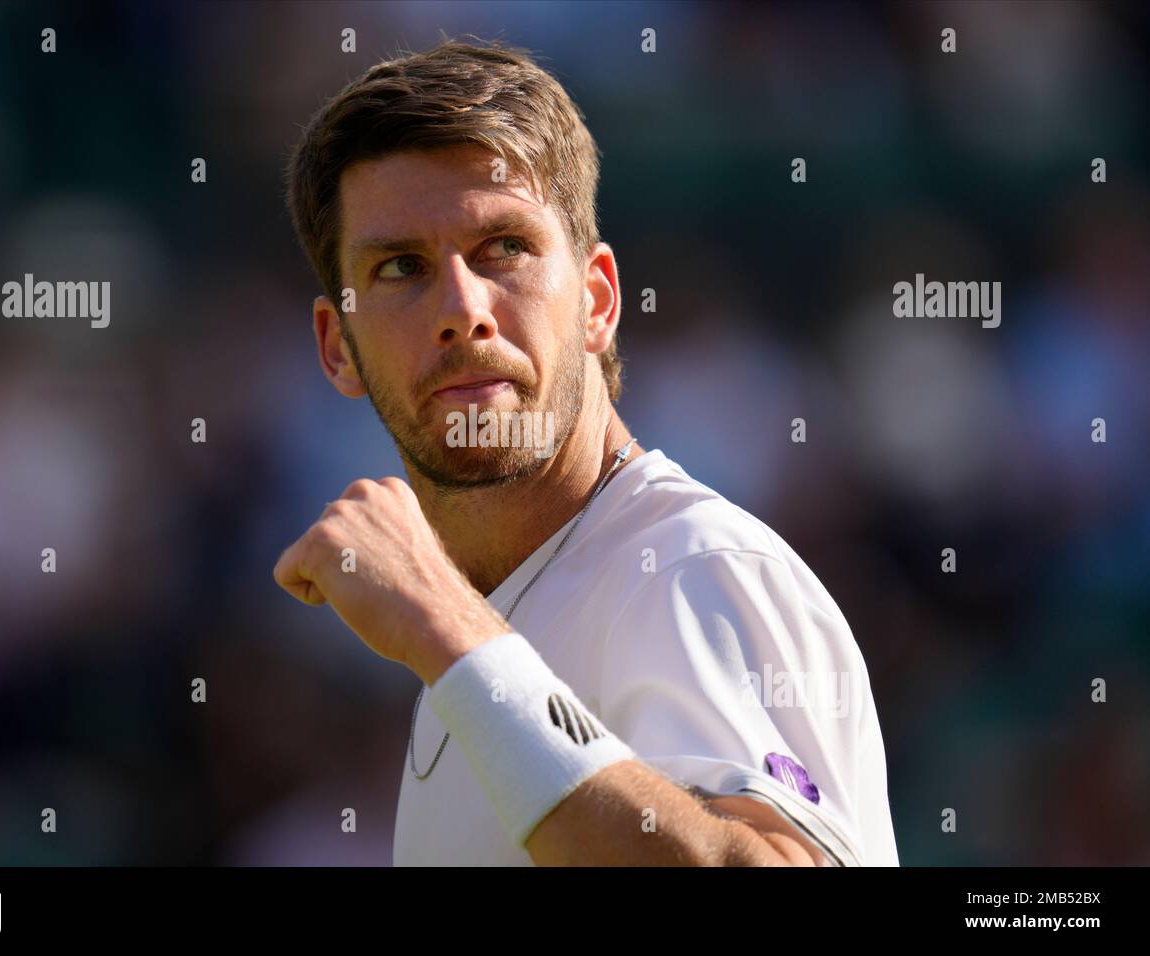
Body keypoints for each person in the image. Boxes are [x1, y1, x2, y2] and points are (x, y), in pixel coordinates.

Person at [276, 39, 899, 866]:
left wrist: (448, 630)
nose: (464, 310)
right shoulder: (491, 620)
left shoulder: (690, 565)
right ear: (338, 347)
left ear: (598, 301)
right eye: (400, 267)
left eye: (504, 249)